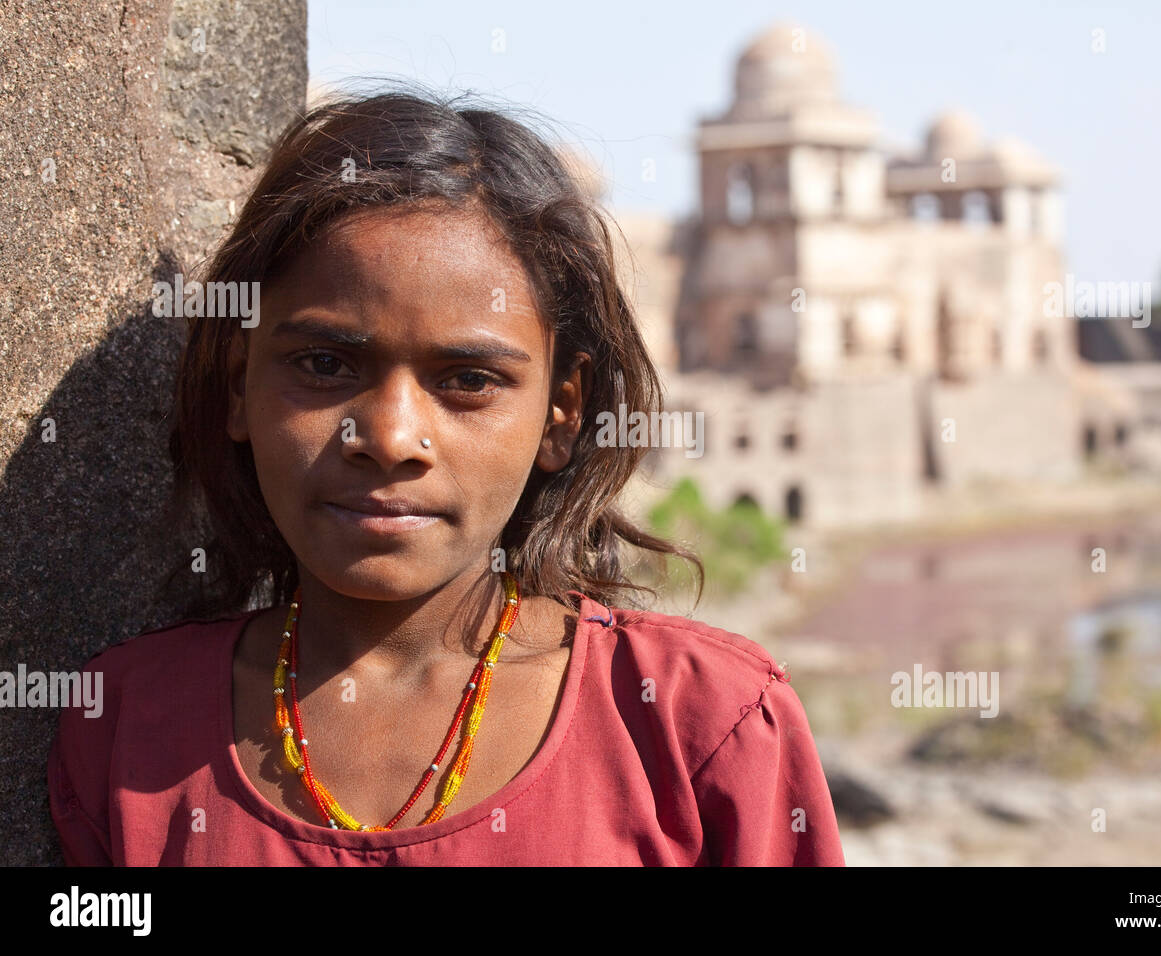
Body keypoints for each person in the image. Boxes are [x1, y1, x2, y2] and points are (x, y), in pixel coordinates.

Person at [47, 86, 845, 866]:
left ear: (561, 417)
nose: (390, 439)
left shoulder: (696, 724)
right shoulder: (128, 728)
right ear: (236, 389)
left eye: (467, 380)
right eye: (324, 365)